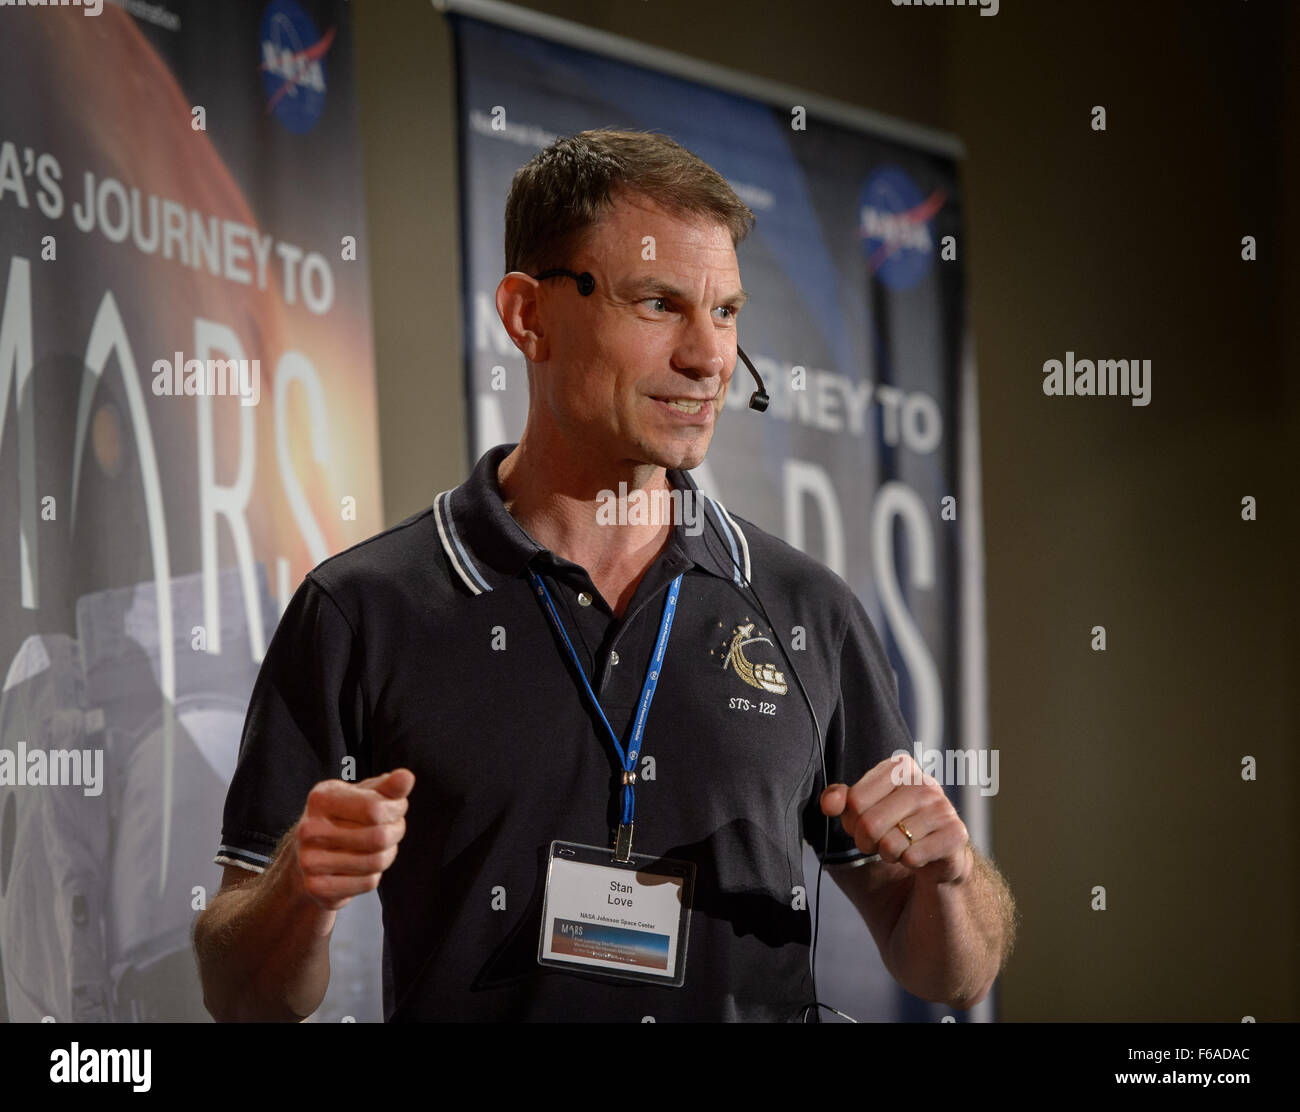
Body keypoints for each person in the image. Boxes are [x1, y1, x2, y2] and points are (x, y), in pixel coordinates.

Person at [193, 129, 1016, 1022]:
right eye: (660, 303)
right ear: (527, 314)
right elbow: (243, 998)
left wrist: (951, 879)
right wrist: (296, 894)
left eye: (729, 312)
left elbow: (952, 973)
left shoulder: (804, 609)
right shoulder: (363, 609)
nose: (710, 358)